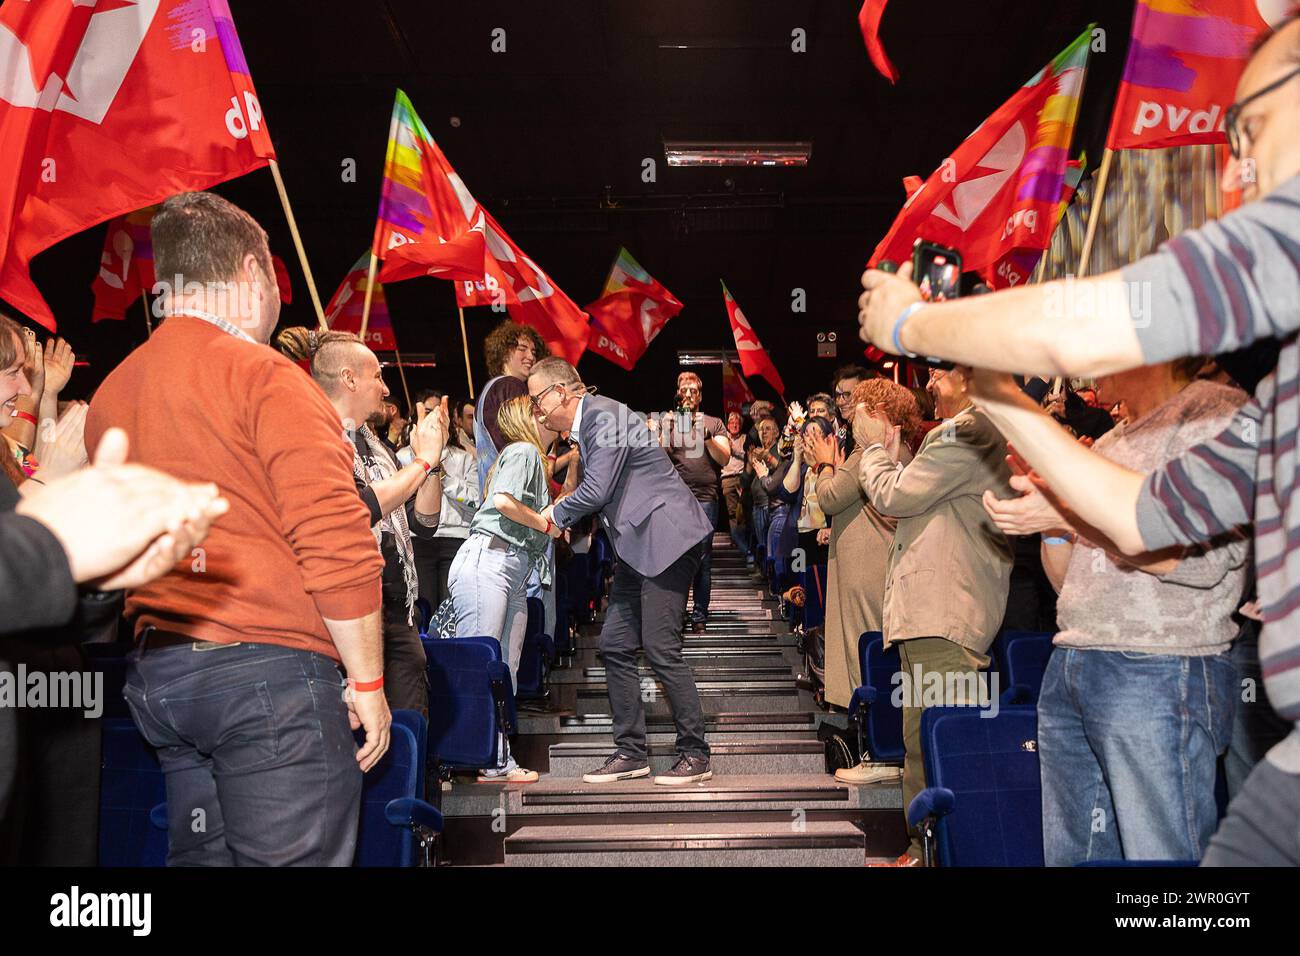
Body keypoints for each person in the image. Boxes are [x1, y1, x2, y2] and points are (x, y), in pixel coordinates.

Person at [855, 17, 1300, 865]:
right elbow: (1136, 522)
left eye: (1250, 129)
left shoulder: (1225, 387)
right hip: (1099, 664)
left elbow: (1091, 323)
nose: (1236, 168)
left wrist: (920, 319)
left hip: (1162, 669)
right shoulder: (1270, 409)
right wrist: (993, 387)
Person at [85, 191, 390, 866]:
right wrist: (368, 684)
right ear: (252, 276)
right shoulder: (266, 377)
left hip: (161, 678)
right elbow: (335, 543)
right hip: (267, 681)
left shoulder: (111, 391)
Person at [983, 360, 1248, 864]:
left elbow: (1197, 560)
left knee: (1160, 855)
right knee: (1074, 856)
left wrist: (1073, 515)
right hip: (1072, 663)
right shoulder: (1107, 444)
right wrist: (1055, 524)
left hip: (1161, 666)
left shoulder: (1216, 416)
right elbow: (1067, 582)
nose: (1082, 369)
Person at [530, 358, 715, 785]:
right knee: (614, 644)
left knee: (660, 648)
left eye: (538, 399)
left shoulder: (605, 415)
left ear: (562, 391)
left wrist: (551, 514)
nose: (536, 411)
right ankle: (632, 752)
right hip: (638, 548)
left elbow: (598, 490)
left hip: (666, 538)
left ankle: (695, 754)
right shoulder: (592, 424)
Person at [856, 365, 1014, 866]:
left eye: (940, 373)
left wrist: (873, 448)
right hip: (935, 616)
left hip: (946, 615)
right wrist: (893, 452)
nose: (928, 384)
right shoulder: (963, 434)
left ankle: (938, 854)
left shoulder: (973, 429)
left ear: (970, 375)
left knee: (941, 741)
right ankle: (928, 852)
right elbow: (909, 503)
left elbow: (895, 495)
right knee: (926, 740)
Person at [276, 327, 447, 716]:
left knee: (408, 731)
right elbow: (361, 507)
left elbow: (423, 523)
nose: (386, 390)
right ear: (349, 379)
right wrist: (421, 463)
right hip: (345, 609)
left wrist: (432, 464)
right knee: (359, 735)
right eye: (377, 377)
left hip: (396, 609)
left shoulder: (374, 444)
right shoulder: (313, 435)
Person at [449, 395, 563, 783]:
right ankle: (474, 752)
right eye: (543, 409)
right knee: (484, 662)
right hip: (491, 560)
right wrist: (546, 526)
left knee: (505, 668)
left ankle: (495, 756)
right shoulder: (523, 451)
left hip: (511, 568)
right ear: (531, 418)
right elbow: (502, 502)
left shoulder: (532, 459)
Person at [807, 380, 920, 740]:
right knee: (870, 646)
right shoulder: (896, 449)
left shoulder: (871, 451)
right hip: (873, 560)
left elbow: (830, 498)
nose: (853, 411)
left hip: (866, 564)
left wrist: (824, 465)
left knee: (864, 648)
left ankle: (873, 738)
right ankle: (872, 733)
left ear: (882, 413)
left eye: (864, 406)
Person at [650, 371, 730, 629]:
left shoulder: (713, 422)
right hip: (676, 498)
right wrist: (661, 429)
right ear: (677, 393)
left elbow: (724, 458)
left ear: (700, 395)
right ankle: (677, 611)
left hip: (706, 497)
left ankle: (699, 615)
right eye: (683, 389)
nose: (687, 394)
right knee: (676, 556)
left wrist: (705, 435)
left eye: (692, 390)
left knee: (703, 558)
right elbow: (658, 459)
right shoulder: (668, 421)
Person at [475, 320, 548, 493]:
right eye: (522, 349)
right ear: (503, 352)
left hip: (493, 492)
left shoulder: (489, 389)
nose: (531, 357)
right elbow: (524, 441)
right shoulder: (511, 385)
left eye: (534, 352)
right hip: (512, 493)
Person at [425, 408, 481, 609]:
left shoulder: (464, 458)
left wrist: (446, 479)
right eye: (428, 412)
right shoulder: (405, 456)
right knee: (424, 607)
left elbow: (476, 500)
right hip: (420, 539)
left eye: (440, 414)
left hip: (456, 539)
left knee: (451, 607)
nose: (435, 419)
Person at [720, 410, 751, 564]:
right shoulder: (722, 437)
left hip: (741, 478)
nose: (734, 425)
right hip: (727, 478)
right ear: (727, 424)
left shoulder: (745, 438)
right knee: (733, 514)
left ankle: (742, 544)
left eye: (737, 423)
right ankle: (743, 548)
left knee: (743, 514)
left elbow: (747, 457)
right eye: (732, 422)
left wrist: (734, 450)